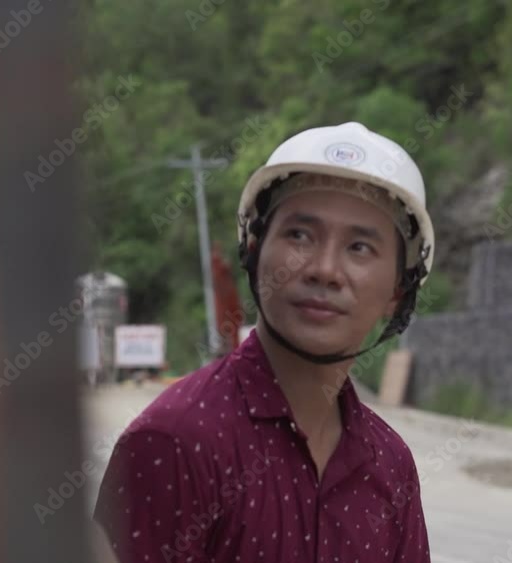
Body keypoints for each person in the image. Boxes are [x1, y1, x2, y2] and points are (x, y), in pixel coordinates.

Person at [94, 122, 435, 562]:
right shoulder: (174, 443)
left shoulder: (390, 465)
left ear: (397, 291)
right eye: (299, 235)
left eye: (360, 247)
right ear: (254, 249)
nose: (325, 269)